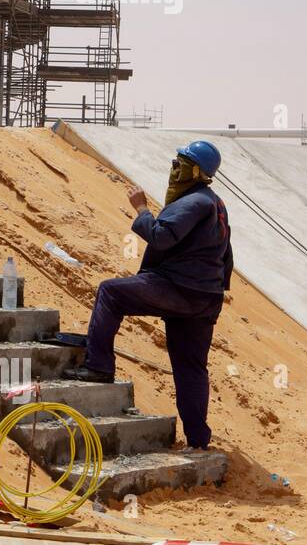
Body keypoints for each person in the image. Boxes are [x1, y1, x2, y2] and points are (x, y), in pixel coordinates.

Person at [63, 141, 233, 450]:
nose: (173, 170)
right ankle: (198, 439)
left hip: (178, 289)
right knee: (191, 368)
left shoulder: (193, 202)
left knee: (110, 292)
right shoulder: (216, 204)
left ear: (196, 172)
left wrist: (142, 210)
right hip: (204, 298)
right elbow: (227, 256)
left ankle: (98, 365)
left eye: (179, 165)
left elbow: (161, 237)